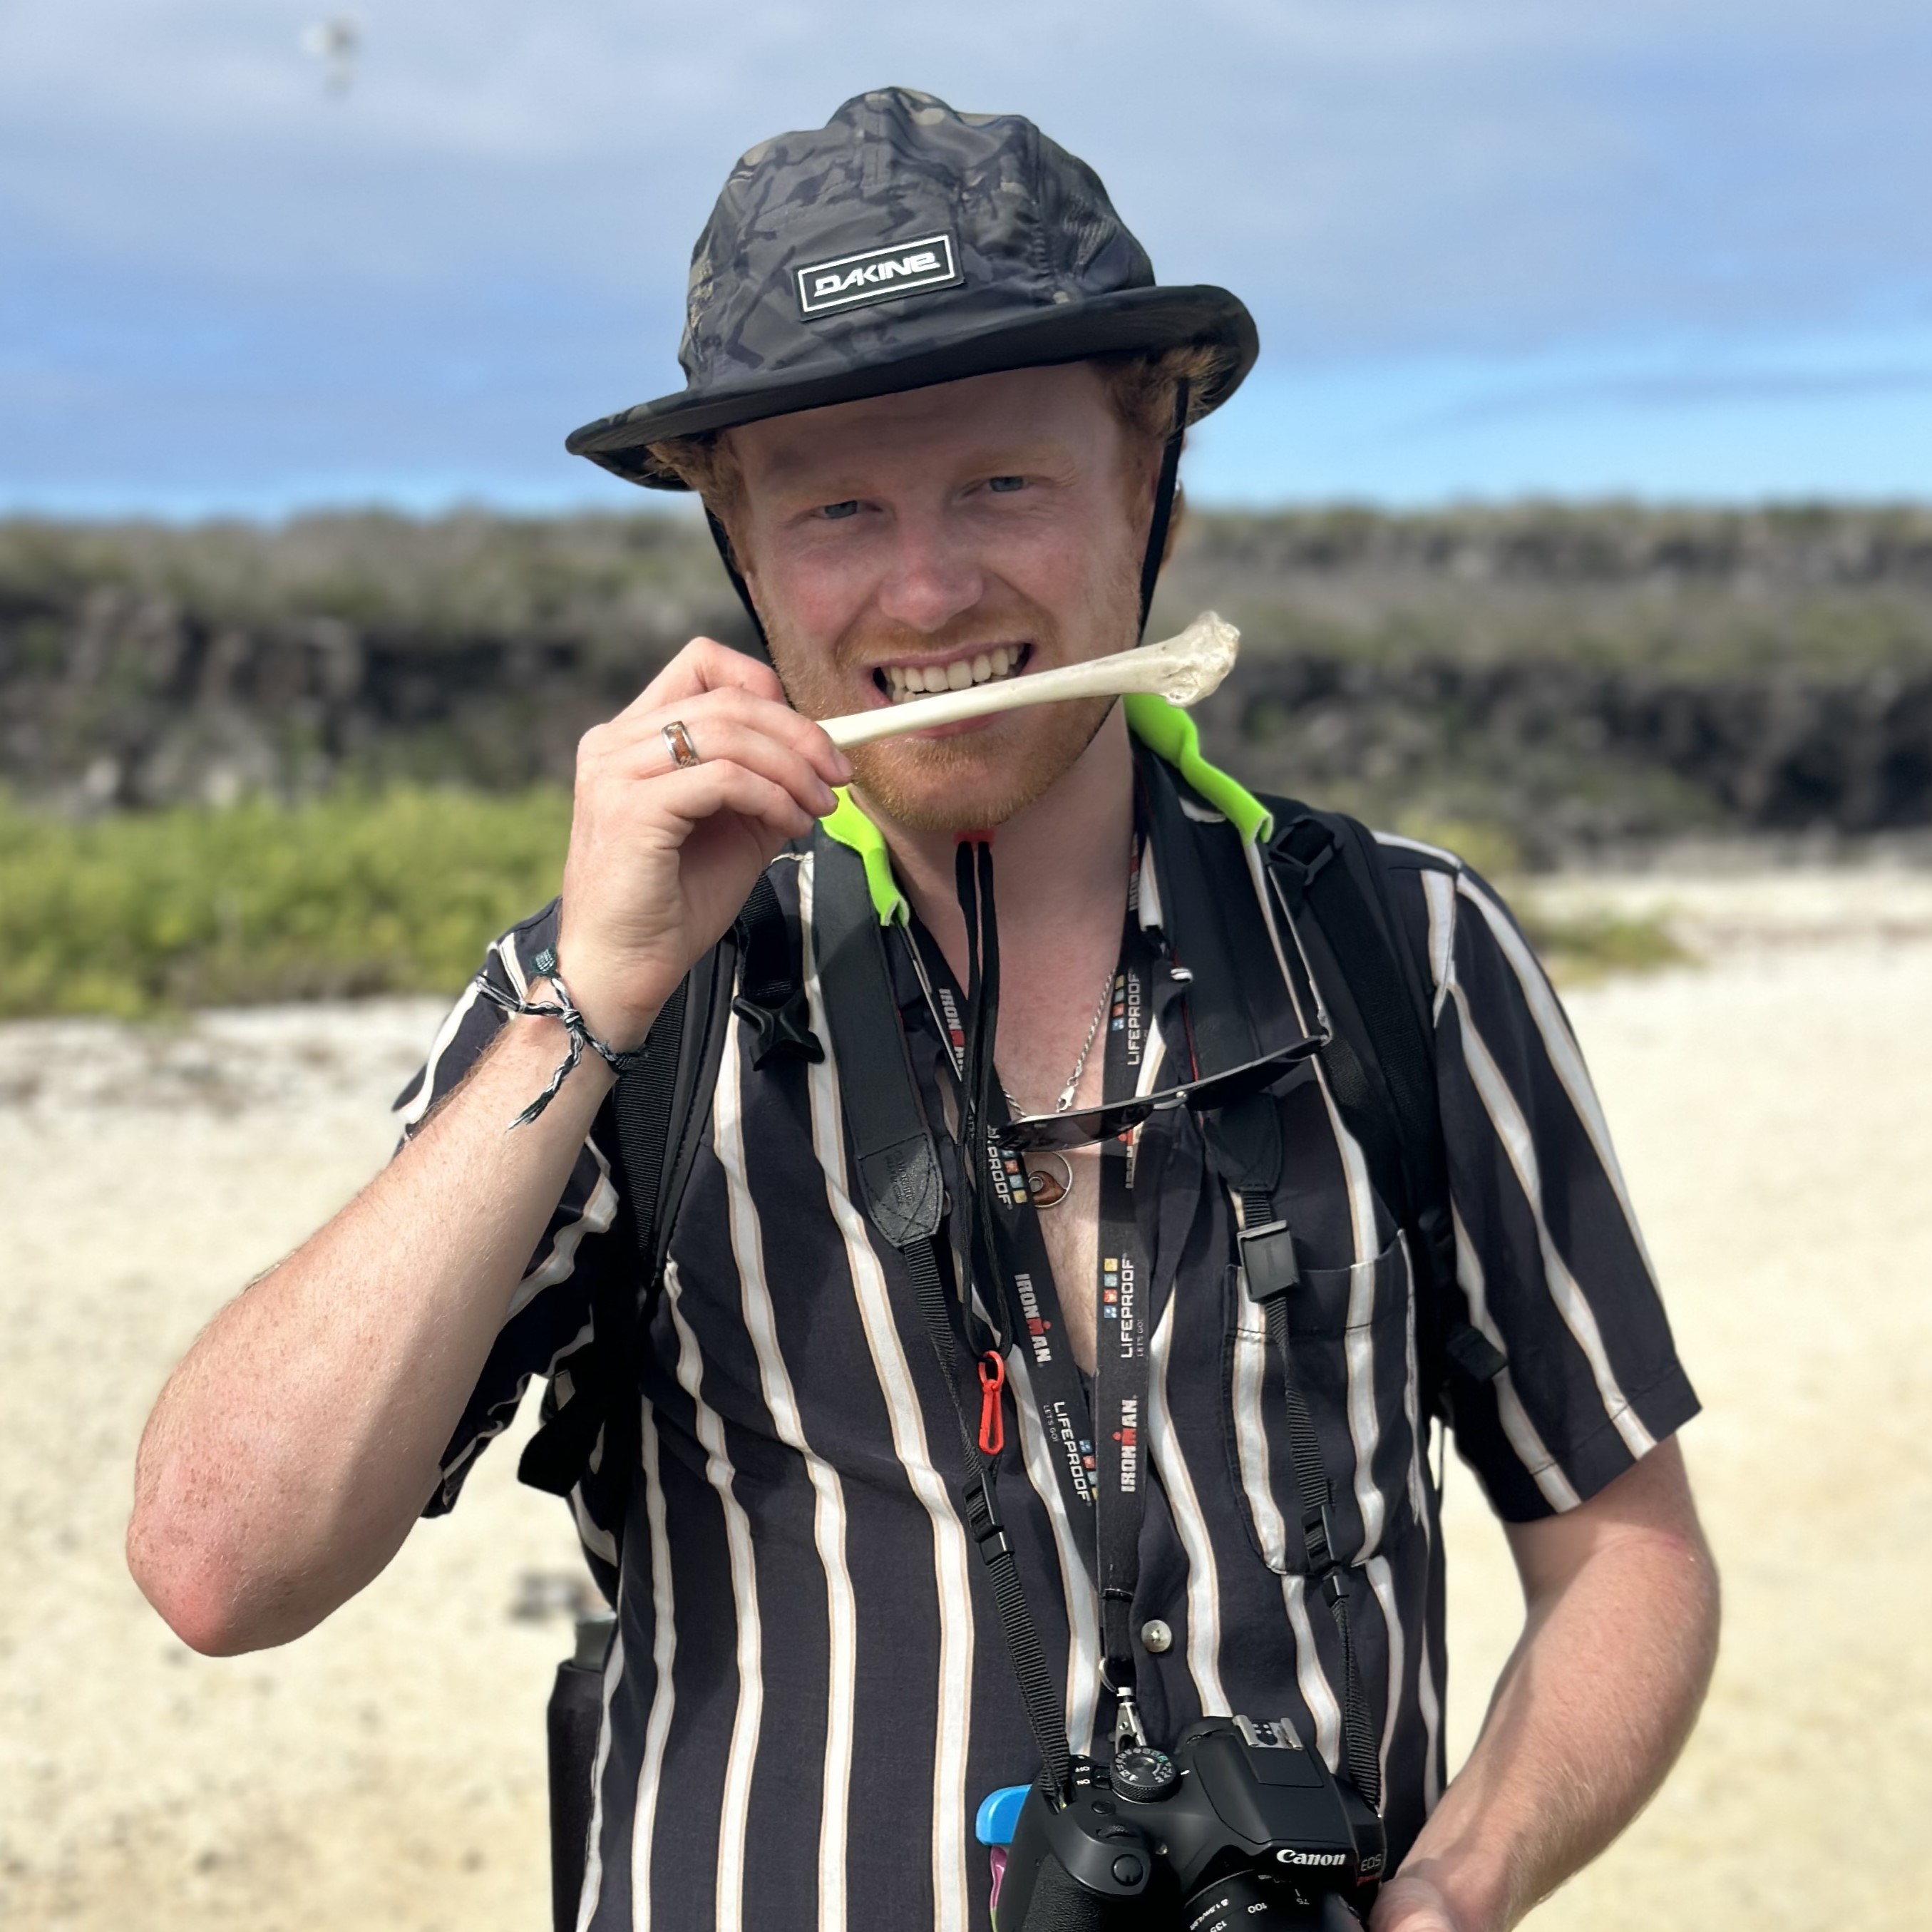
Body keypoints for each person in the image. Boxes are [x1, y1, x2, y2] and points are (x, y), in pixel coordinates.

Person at [128, 87, 1718, 1932]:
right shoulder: (611, 1017)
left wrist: (1463, 1885)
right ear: (738, 549)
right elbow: (217, 1568)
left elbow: (1630, 1549)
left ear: (1156, 493)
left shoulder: (1406, 954)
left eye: (1004, 485)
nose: (929, 584)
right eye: (838, 510)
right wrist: (598, 988)